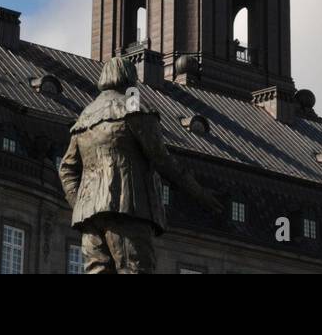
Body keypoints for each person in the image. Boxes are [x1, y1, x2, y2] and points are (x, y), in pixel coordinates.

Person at [58, 56, 222, 273]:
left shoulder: (84, 119)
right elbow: (162, 159)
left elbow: (67, 169)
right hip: (127, 208)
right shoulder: (134, 110)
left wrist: (81, 204)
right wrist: (201, 194)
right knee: (135, 269)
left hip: (89, 216)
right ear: (129, 78)